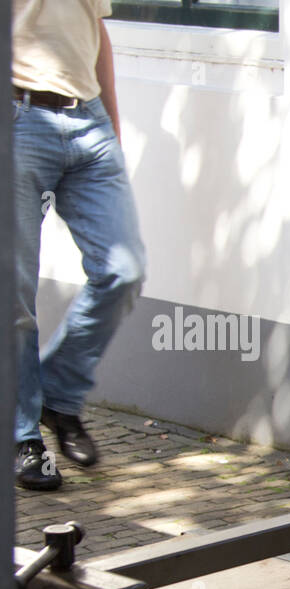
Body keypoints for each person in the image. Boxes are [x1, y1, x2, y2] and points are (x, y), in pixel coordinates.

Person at [12, 0, 146, 491]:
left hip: (87, 123)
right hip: (19, 117)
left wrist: (111, 124)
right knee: (16, 296)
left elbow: (95, 32)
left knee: (123, 269)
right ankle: (23, 436)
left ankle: (58, 396)